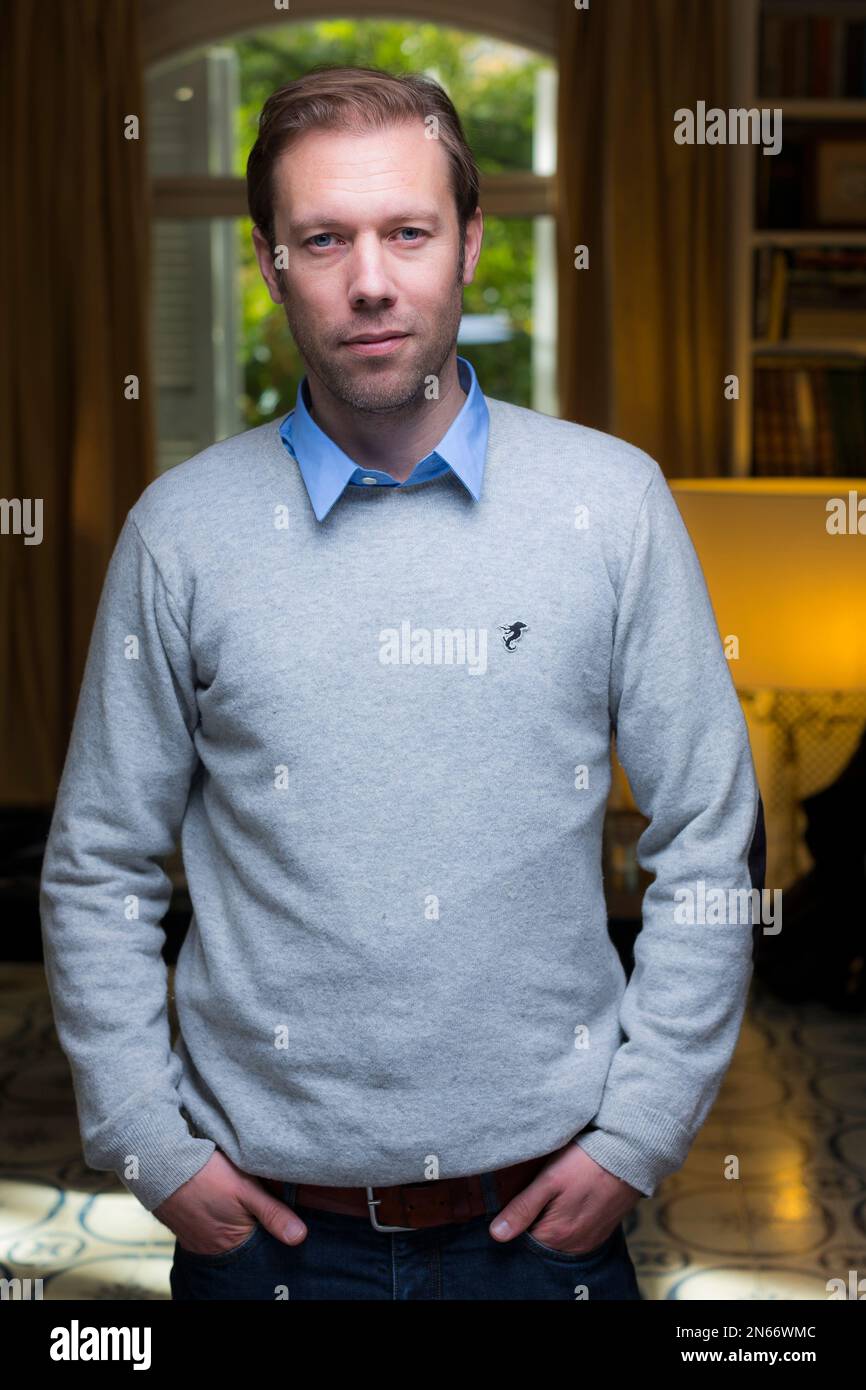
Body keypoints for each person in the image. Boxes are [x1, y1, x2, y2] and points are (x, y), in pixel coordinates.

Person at [39, 66, 766, 1302]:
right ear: (270, 263)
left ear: (469, 246)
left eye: (407, 232)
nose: (368, 279)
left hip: (542, 1235)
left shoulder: (610, 505)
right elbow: (95, 863)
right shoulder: (182, 532)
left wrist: (638, 1134)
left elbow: (710, 844)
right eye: (323, 238)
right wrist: (145, 1143)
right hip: (262, 1239)